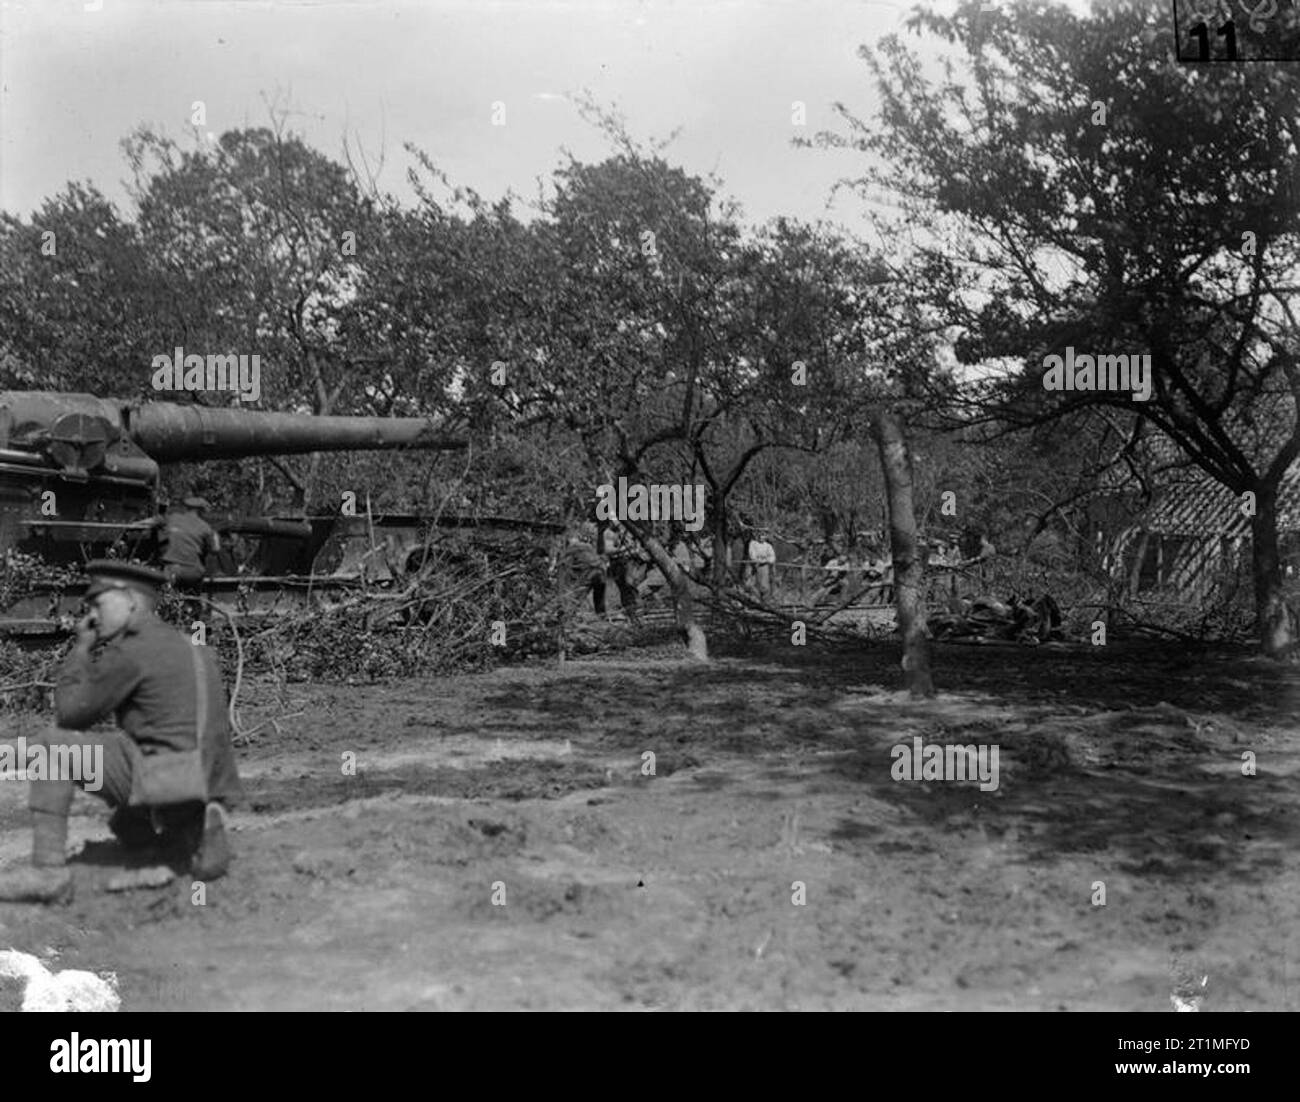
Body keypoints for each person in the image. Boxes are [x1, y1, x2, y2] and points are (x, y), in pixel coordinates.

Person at [0, 561, 244, 904]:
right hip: (210, 778)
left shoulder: (130, 651)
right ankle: (184, 833)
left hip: (165, 778)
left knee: (50, 744)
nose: (93, 616)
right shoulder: (192, 646)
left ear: (129, 601)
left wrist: (81, 649)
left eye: (99, 603)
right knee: (125, 761)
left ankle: (47, 871)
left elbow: (71, 715)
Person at [158, 495, 221, 586]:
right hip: (193, 572)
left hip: (171, 570)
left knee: (167, 592)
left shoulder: (172, 518)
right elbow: (215, 550)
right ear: (201, 511)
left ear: (186, 508)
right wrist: (214, 534)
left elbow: (155, 521)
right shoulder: (205, 526)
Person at [747, 529, 776, 599]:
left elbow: (772, 557)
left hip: (764, 567)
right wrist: (757, 559)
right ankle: (752, 599)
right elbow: (752, 555)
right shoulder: (753, 543)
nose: (761, 537)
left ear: (765, 537)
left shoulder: (768, 546)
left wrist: (766, 560)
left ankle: (764, 600)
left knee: (764, 586)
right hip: (753, 566)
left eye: (763, 535)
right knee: (750, 584)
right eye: (760, 535)